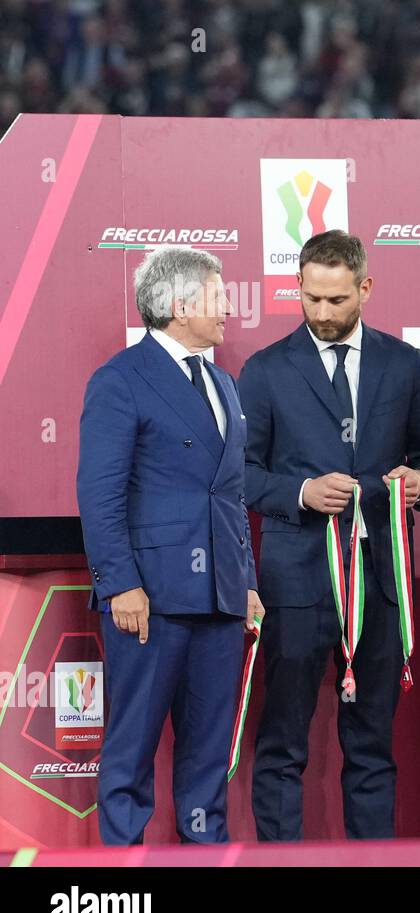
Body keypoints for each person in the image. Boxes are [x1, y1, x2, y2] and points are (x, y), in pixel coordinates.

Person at [239, 230, 420, 841]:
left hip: (381, 581)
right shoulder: (266, 370)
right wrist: (301, 494)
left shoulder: (405, 364)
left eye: (336, 301)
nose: (323, 314)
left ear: (365, 288)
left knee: (372, 745)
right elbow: (241, 477)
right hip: (296, 580)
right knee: (281, 744)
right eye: (311, 300)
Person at [77, 246, 262, 845]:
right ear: (181, 306)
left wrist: (248, 582)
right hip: (149, 600)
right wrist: (121, 583)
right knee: (130, 749)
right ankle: (118, 880)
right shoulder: (119, 380)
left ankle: (204, 859)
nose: (228, 307)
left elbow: (229, 496)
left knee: (208, 757)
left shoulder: (224, 383)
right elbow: (99, 494)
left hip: (220, 599)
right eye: (217, 295)